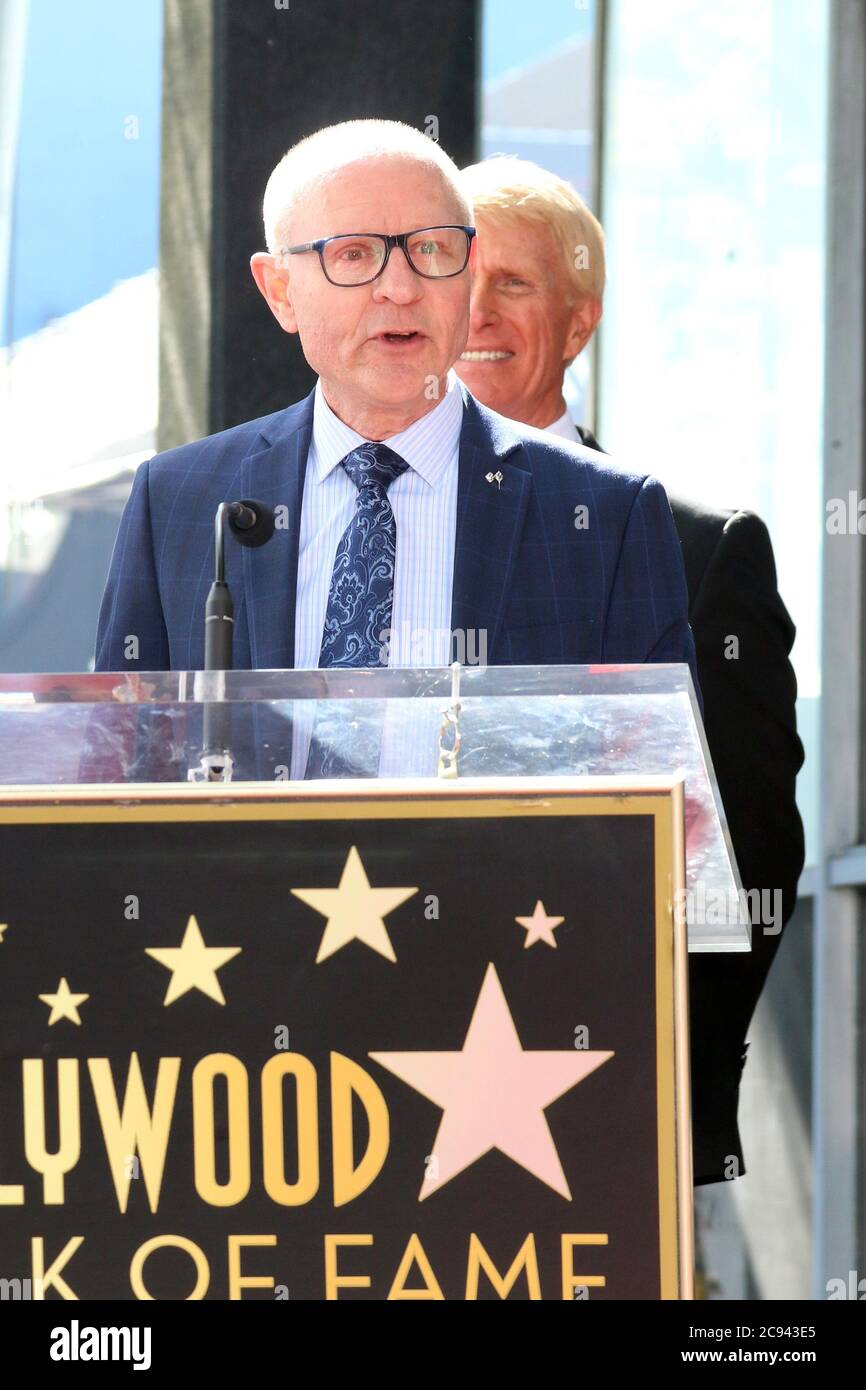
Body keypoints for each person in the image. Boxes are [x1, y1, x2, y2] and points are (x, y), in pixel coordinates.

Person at [455, 154, 806, 1186]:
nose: (475, 311)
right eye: (455, 279)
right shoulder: (337, 534)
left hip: (595, 1116)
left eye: (511, 283)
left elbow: (747, 861)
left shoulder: (696, 548)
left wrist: (660, 1098)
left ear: (575, 324)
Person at [95, 119, 697, 694]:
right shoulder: (177, 500)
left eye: (431, 250)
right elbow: (121, 767)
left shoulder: (606, 515)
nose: (401, 288)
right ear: (280, 291)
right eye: (354, 254)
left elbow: (651, 777)